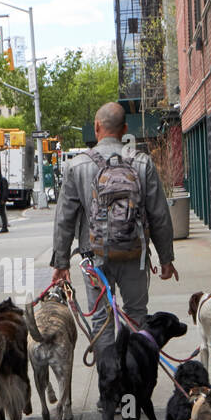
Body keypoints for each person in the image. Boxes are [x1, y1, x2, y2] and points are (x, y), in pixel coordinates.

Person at [50, 101, 178, 364]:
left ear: (97, 128)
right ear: (125, 129)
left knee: (101, 318)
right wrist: (166, 258)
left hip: (94, 256)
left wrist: (61, 262)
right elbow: (159, 215)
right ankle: (134, 387)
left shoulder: (77, 166)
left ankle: (109, 394)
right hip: (134, 254)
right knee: (136, 316)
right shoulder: (142, 162)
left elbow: (64, 218)